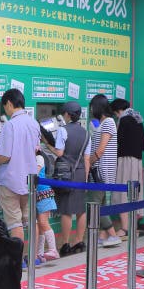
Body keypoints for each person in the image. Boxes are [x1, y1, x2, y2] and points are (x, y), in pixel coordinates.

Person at [0, 89, 39, 256]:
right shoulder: (33, 123)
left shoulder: (10, 125)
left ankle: (19, 260)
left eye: (5, 107)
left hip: (10, 181)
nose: (6, 111)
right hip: (28, 181)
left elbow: (4, 155)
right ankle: (33, 258)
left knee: (14, 223)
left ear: (9, 103)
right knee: (30, 220)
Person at [42, 101, 91, 256]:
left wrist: (46, 144)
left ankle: (65, 244)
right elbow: (87, 158)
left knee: (67, 211)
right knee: (81, 209)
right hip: (81, 173)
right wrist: (85, 177)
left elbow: (59, 153)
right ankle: (79, 240)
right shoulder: (86, 132)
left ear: (68, 115)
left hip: (66, 174)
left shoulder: (63, 130)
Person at [110, 98, 144, 238]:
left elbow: (117, 143)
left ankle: (125, 229)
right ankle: (134, 228)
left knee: (123, 194)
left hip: (125, 160)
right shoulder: (137, 118)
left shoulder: (124, 120)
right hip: (137, 161)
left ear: (117, 111)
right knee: (135, 194)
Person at [88, 94, 122, 247]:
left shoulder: (108, 122)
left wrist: (89, 162)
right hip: (100, 169)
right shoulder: (104, 123)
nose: (90, 110)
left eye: (92, 107)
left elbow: (100, 150)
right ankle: (103, 236)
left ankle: (113, 235)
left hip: (101, 170)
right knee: (101, 203)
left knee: (94, 203)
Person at [35, 150, 59, 262]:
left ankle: (53, 249)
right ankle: (40, 253)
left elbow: (35, 173)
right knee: (40, 225)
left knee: (43, 222)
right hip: (38, 195)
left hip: (44, 194)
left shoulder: (39, 158)